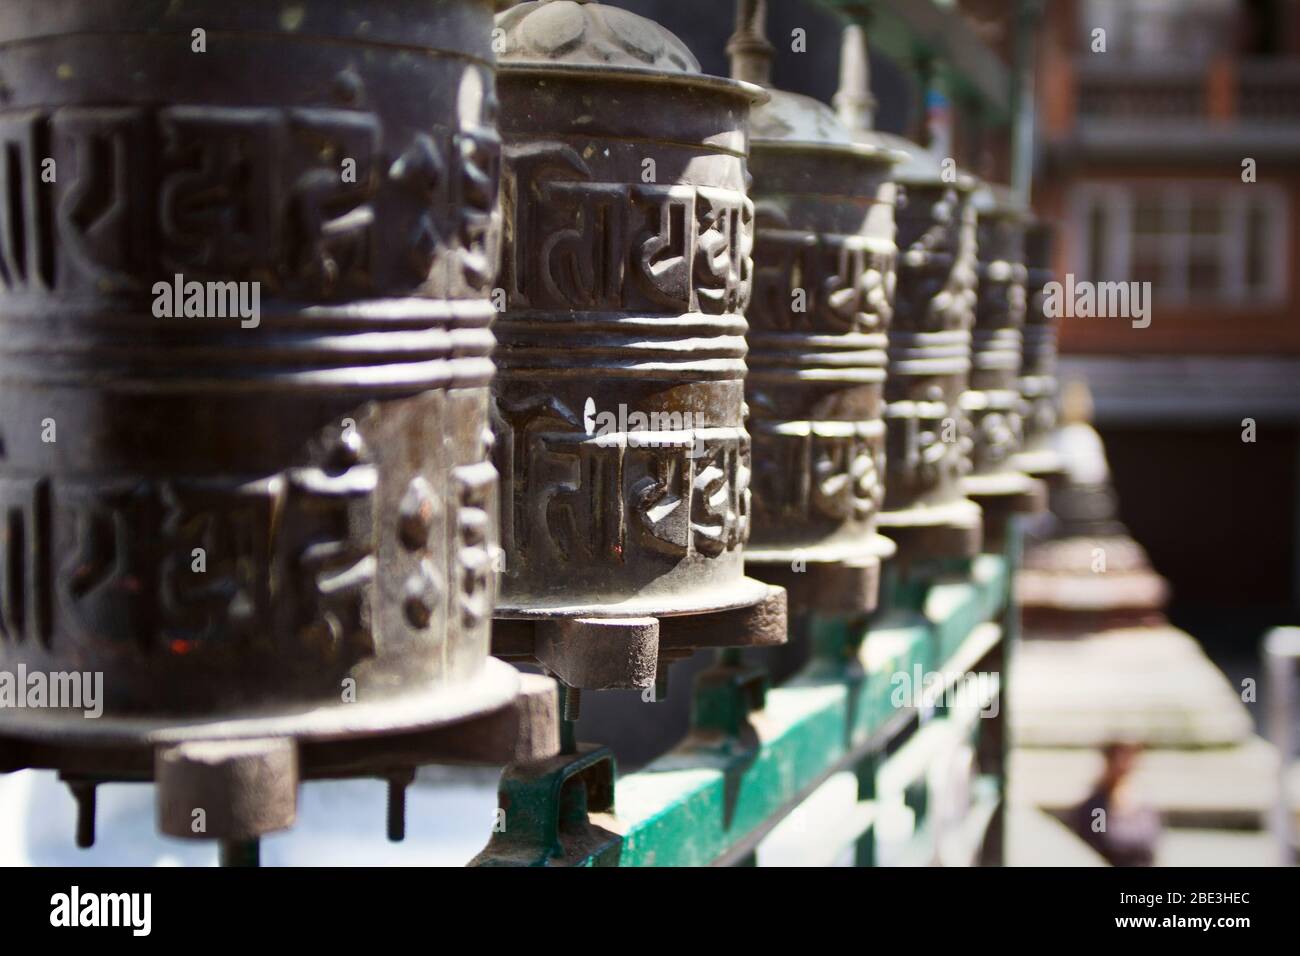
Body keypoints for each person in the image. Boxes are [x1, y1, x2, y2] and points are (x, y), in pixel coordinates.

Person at [1068, 741, 1161, 866]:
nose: (1125, 765)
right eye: (1120, 759)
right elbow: (1096, 844)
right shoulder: (1097, 808)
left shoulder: (1144, 804)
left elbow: (1151, 846)